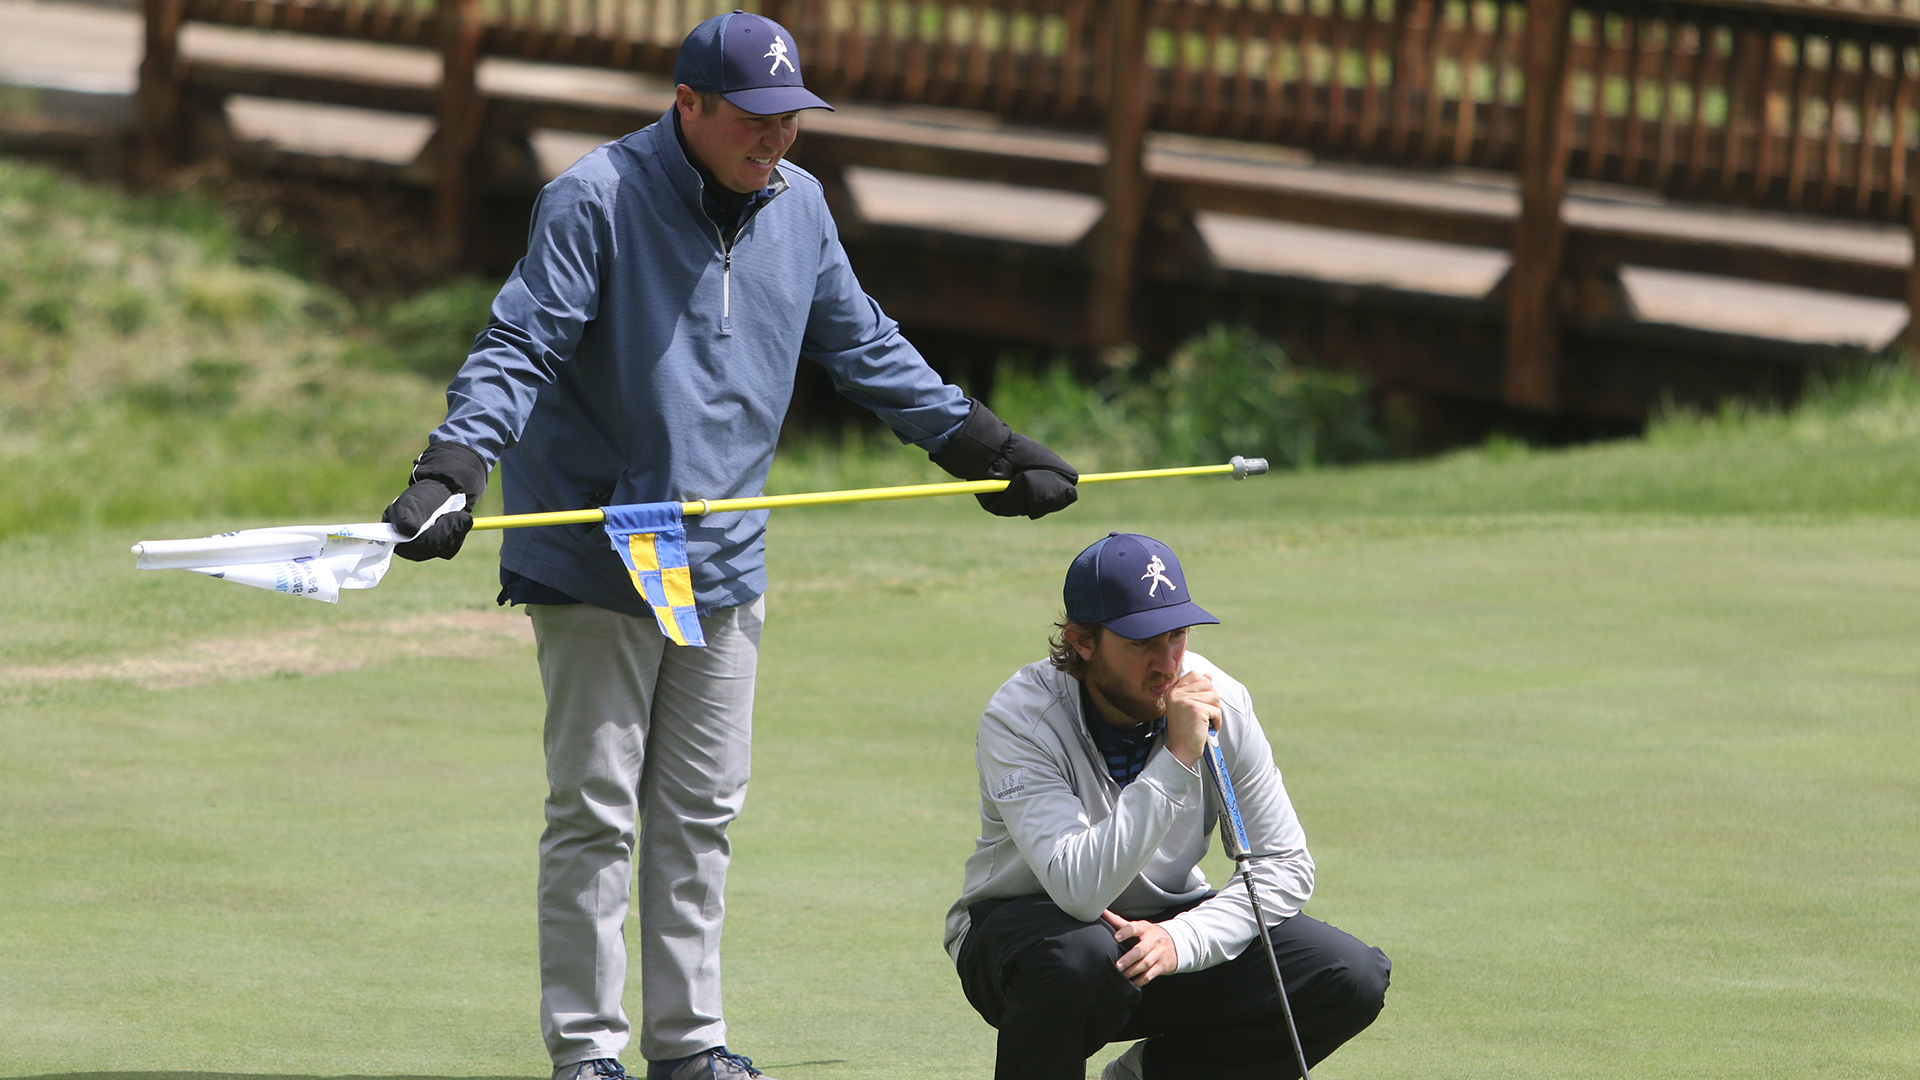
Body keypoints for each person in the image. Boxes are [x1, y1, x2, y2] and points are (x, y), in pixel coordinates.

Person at [380, 11, 1079, 1080]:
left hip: (721, 556)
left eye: (791, 119)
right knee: (598, 813)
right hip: (607, 549)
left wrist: (978, 445)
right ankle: (587, 1054)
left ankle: (691, 1046)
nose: (775, 140)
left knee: (701, 814)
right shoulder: (595, 200)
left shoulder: (798, 205)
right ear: (689, 104)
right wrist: (453, 466)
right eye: (753, 119)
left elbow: (863, 342)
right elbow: (521, 339)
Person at [945, 533, 1389, 1080]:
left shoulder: (1219, 696)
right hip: (1028, 935)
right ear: (1082, 641)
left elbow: (1285, 866)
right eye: (1141, 642)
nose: (1167, 663)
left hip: (1157, 934)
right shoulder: (1021, 718)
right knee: (1077, 959)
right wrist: (1178, 754)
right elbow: (1078, 890)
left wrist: (1181, 939)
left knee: (1349, 974)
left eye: (1176, 635)